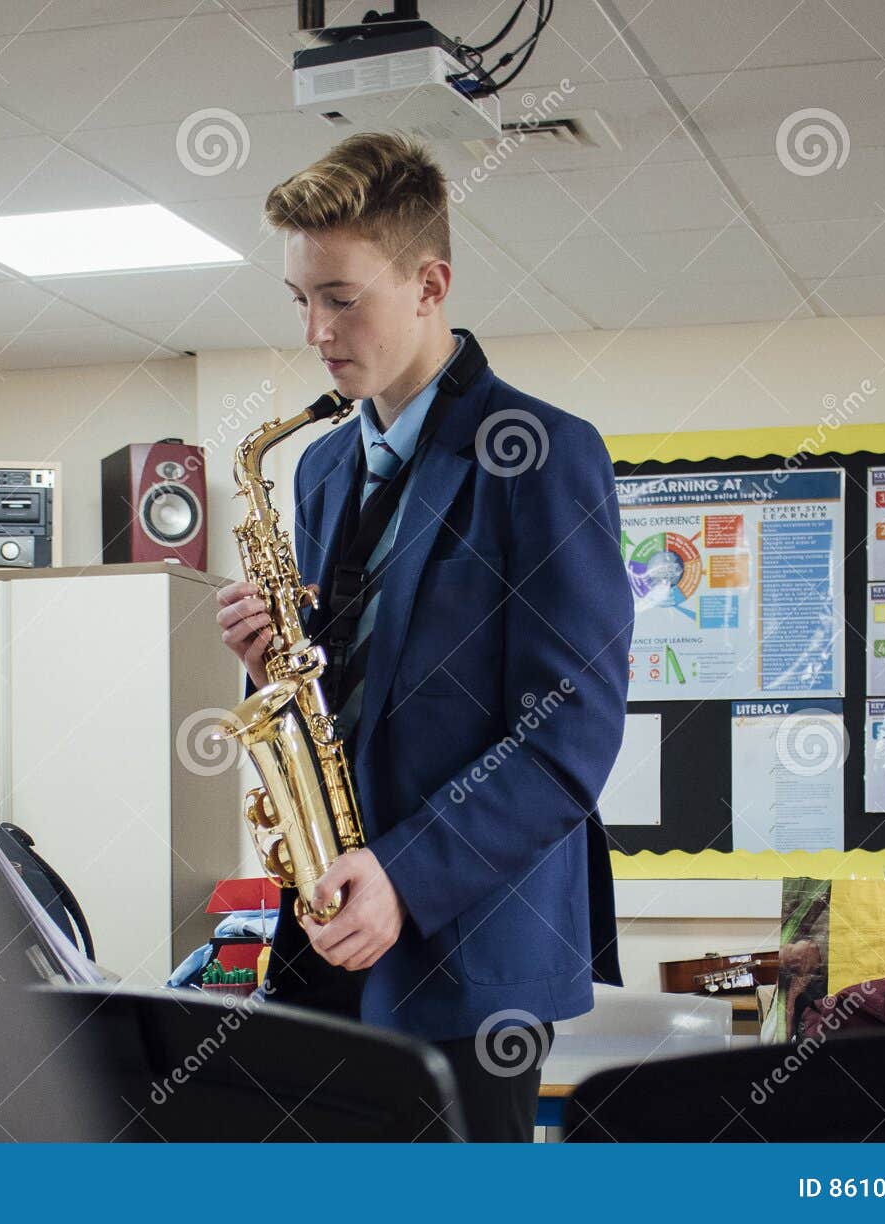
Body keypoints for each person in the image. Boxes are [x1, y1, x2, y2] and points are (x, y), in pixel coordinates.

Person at [215, 131, 632, 1141]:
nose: (315, 332)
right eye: (299, 299)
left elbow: (569, 734)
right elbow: (351, 684)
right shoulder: (319, 470)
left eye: (340, 298)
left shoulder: (541, 453)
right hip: (325, 924)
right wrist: (275, 663)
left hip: (468, 952)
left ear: (429, 285)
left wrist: (405, 875)